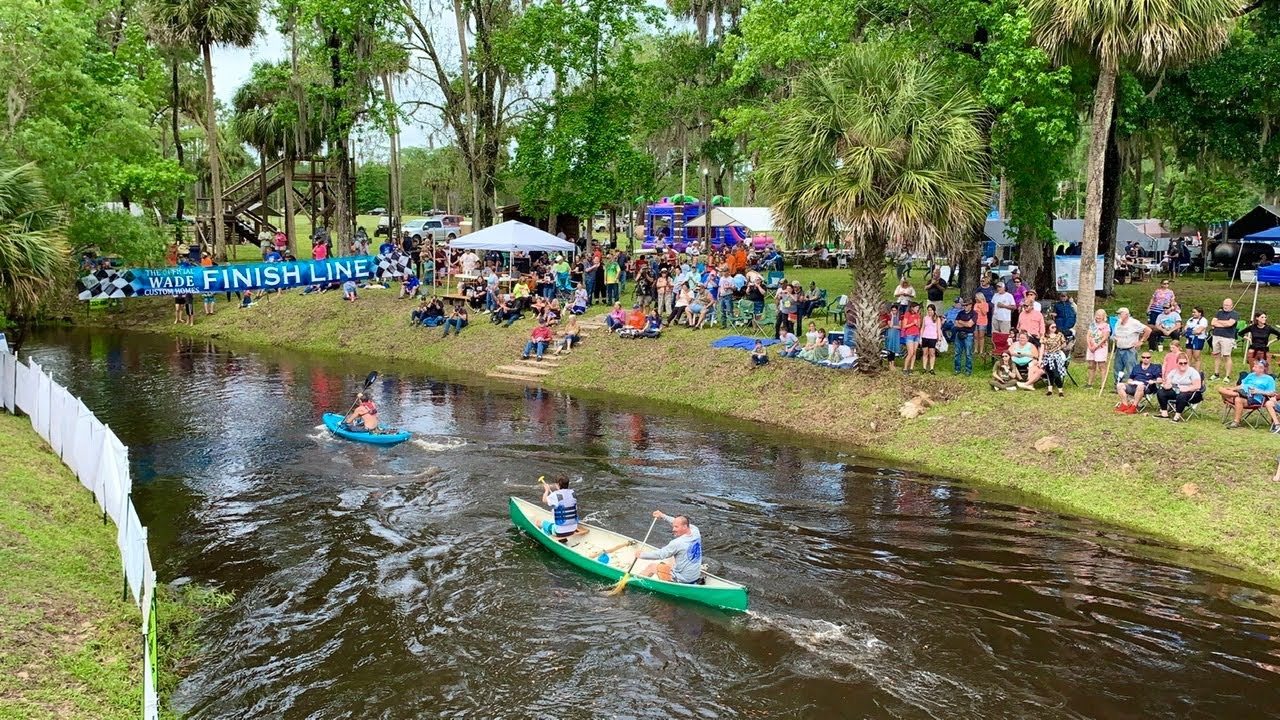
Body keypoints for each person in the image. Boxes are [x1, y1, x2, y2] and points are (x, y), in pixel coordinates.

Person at [635, 511, 703, 584]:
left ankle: (635, 582)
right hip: (695, 575)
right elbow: (675, 521)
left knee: (652, 567)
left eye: (676, 527)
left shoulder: (677, 543)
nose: (673, 529)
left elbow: (660, 554)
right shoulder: (695, 530)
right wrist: (662, 516)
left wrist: (641, 555)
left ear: (685, 527)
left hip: (683, 579)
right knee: (672, 557)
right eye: (673, 526)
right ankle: (667, 570)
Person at [1217, 358, 1280, 431]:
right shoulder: (1251, 375)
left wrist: (1258, 391)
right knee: (1221, 389)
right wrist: (1232, 389)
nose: (1253, 367)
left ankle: (1236, 421)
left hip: (1254, 398)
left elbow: (1272, 393)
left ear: (1261, 369)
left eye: (1256, 366)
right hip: (1242, 393)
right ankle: (1236, 395)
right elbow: (1241, 386)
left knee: (1238, 399)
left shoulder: (1269, 379)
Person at [1156, 353, 1202, 421]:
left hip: (1192, 393)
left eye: (1185, 363)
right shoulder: (1173, 372)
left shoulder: (1192, 372)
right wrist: (1167, 386)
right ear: (1177, 363)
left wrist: (1187, 389)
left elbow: (1198, 386)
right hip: (1176, 390)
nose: (1183, 365)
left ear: (1188, 363)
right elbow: (1167, 383)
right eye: (1181, 363)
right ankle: (1164, 413)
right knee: (1161, 392)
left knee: (1182, 395)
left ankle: (1177, 416)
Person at [1111, 308, 1149, 383]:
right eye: (1118, 314)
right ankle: (1118, 385)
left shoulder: (1134, 323)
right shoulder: (1118, 322)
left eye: (1120, 313)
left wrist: (1141, 341)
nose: (1118, 315)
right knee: (1117, 368)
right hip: (1119, 349)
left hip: (1129, 350)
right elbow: (1115, 334)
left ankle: (1132, 385)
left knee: (1131, 368)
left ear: (1126, 315)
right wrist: (1114, 338)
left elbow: (1148, 330)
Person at [1209, 298, 1240, 381]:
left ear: (1231, 306)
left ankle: (1227, 376)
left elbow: (1230, 324)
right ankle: (1216, 374)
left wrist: (1219, 322)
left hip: (1227, 337)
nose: (1225, 307)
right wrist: (1224, 323)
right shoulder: (1219, 312)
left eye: (1227, 305)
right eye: (1224, 305)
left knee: (1227, 356)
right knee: (1217, 355)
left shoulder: (1234, 314)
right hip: (1216, 336)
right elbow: (1213, 322)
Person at [1037, 323, 1068, 397]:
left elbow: (1064, 344)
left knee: (1056, 374)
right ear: (1048, 328)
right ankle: (1049, 390)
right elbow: (1042, 348)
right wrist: (1040, 359)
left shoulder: (1059, 335)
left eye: (1055, 327)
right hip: (1048, 356)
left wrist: (1059, 347)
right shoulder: (1044, 337)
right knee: (1049, 373)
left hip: (1056, 356)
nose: (1054, 328)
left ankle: (1060, 390)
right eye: (1052, 327)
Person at [1085, 309, 1111, 388]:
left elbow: (1105, 337)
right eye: (1097, 315)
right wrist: (1090, 345)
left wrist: (1096, 346)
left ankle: (1103, 384)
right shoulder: (1093, 325)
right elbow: (1088, 335)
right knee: (1091, 365)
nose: (1098, 317)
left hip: (1100, 348)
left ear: (1104, 316)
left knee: (1101, 366)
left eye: (1100, 315)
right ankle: (1089, 383)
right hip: (1091, 347)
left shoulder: (1106, 326)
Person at [951, 298, 976, 375]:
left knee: (968, 353)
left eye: (966, 305)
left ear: (970, 305)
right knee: (957, 353)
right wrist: (964, 323)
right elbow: (955, 323)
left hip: (969, 335)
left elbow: (970, 325)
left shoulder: (974, 314)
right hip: (959, 333)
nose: (964, 307)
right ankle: (957, 369)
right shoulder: (960, 313)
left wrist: (961, 322)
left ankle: (968, 370)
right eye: (963, 305)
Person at [1184, 306, 1209, 372]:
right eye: (1192, 312)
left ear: (1200, 313)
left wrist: (1190, 331)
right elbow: (1185, 329)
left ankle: (1197, 372)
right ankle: (1187, 371)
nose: (1193, 313)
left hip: (1198, 339)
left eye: (1195, 312)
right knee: (1188, 356)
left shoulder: (1203, 320)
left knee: (1196, 356)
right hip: (1189, 339)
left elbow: (1199, 331)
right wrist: (1192, 332)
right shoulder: (1190, 319)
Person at [920, 304, 941, 374]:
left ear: (934, 311)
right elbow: (922, 328)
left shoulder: (937, 319)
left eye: (931, 310)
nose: (930, 312)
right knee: (925, 353)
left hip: (933, 337)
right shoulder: (925, 318)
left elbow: (938, 329)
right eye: (928, 310)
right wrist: (921, 337)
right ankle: (924, 367)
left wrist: (939, 339)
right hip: (925, 337)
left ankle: (931, 368)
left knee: (932, 353)